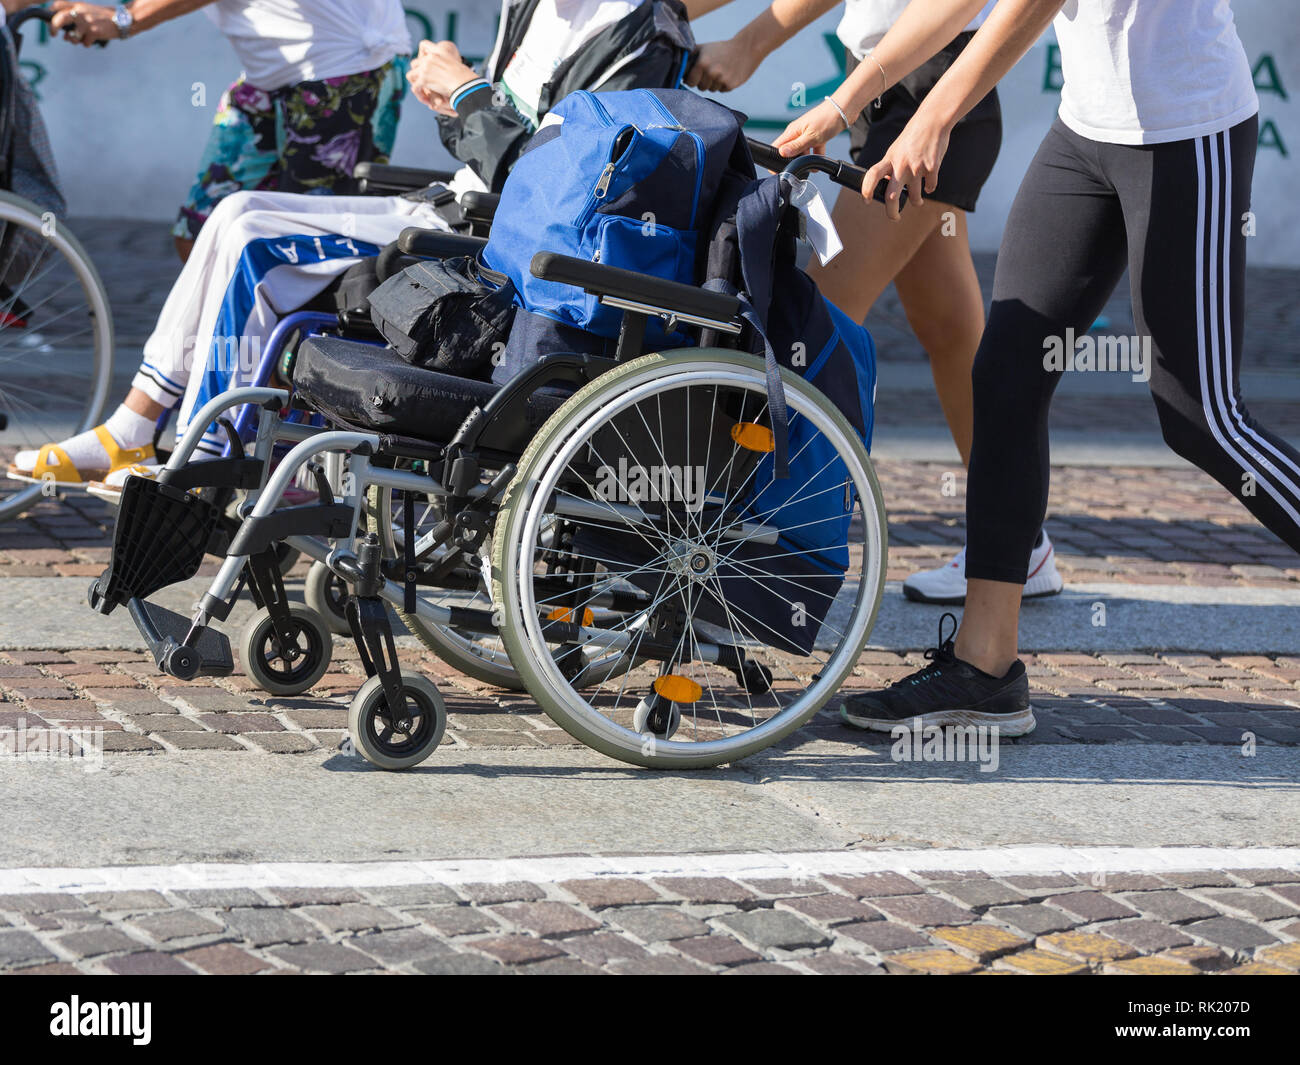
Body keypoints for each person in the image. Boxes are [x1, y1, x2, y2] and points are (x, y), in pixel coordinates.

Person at [773, 0, 1291, 737]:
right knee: (1007, 375)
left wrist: (936, 115)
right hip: (1087, 133)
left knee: (1203, 418)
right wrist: (842, 101)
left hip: (1187, 129)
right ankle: (985, 671)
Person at [7, 0, 695, 489]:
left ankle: (210, 460)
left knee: (253, 239)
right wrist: (466, 103)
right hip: (450, 196)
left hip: (492, 233)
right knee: (227, 216)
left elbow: (556, 193)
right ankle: (138, 425)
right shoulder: (535, 6)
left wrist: (469, 95)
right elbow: (485, 144)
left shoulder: (639, 32)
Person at [687, 0, 1062, 605]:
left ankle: (750, 551)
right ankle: (1019, 542)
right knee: (952, 335)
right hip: (895, 93)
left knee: (812, 329)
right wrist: (749, 41)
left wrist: (778, 60)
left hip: (926, 100)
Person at [49, 0, 412, 260]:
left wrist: (124, 19)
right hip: (269, 78)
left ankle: (303, 360)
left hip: (346, 67)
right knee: (200, 233)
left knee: (310, 249)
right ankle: (244, 353)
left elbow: (123, 17)